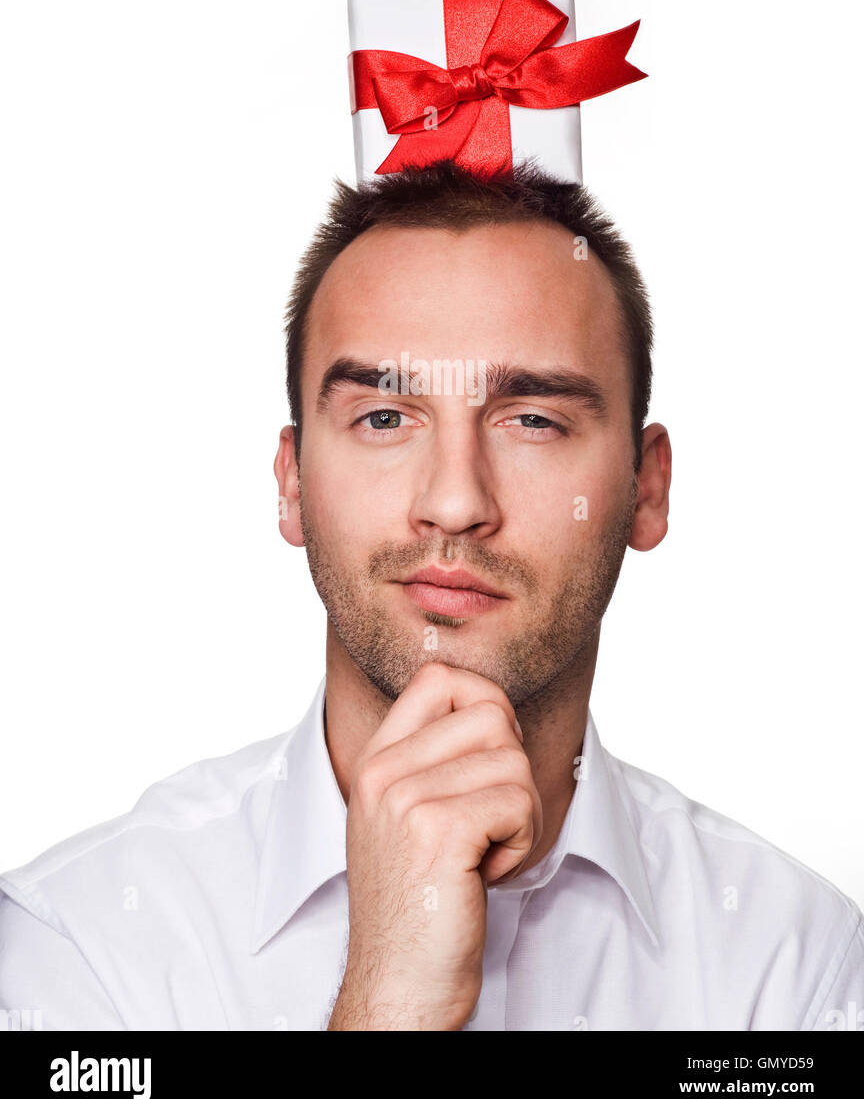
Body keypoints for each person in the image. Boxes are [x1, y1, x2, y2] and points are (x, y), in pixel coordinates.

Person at [1, 158, 861, 1032]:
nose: (454, 501)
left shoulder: (795, 972)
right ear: (292, 483)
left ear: (647, 489)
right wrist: (390, 1005)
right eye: (384, 418)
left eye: (532, 419)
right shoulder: (76, 951)